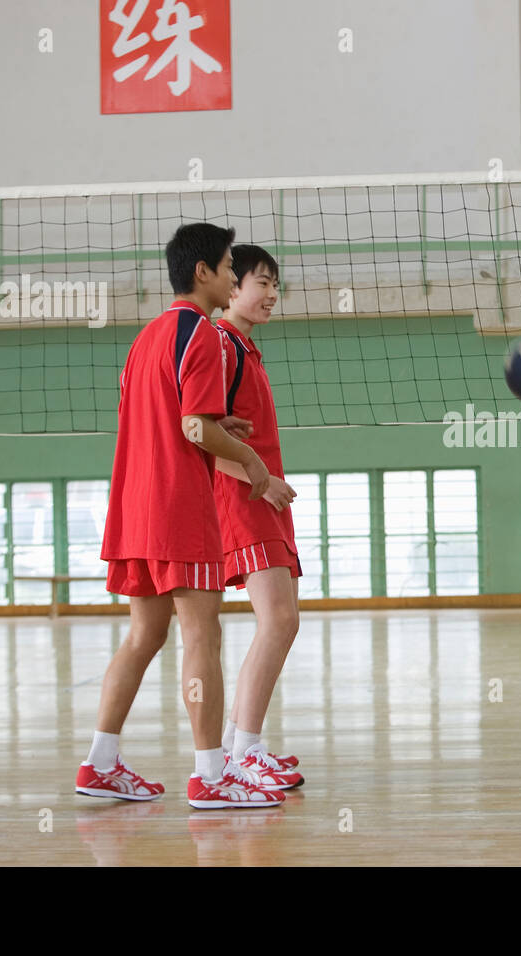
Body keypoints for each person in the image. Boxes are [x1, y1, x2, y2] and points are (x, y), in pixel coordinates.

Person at [76, 223, 285, 809]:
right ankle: (212, 774)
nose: (230, 276)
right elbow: (194, 428)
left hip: (132, 509)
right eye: (227, 267)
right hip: (177, 508)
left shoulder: (146, 338)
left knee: (143, 635)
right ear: (205, 274)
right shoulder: (203, 336)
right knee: (203, 635)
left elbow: (178, 420)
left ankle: (100, 762)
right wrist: (249, 459)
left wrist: (221, 429)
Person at [212, 244, 304, 791]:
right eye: (261, 282)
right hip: (244, 499)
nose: (272, 294)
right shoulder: (221, 346)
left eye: (276, 284)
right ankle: (244, 749)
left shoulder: (244, 348)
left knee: (281, 619)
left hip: (261, 497)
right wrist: (259, 480)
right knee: (279, 620)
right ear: (231, 285)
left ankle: (236, 746)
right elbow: (199, 434)